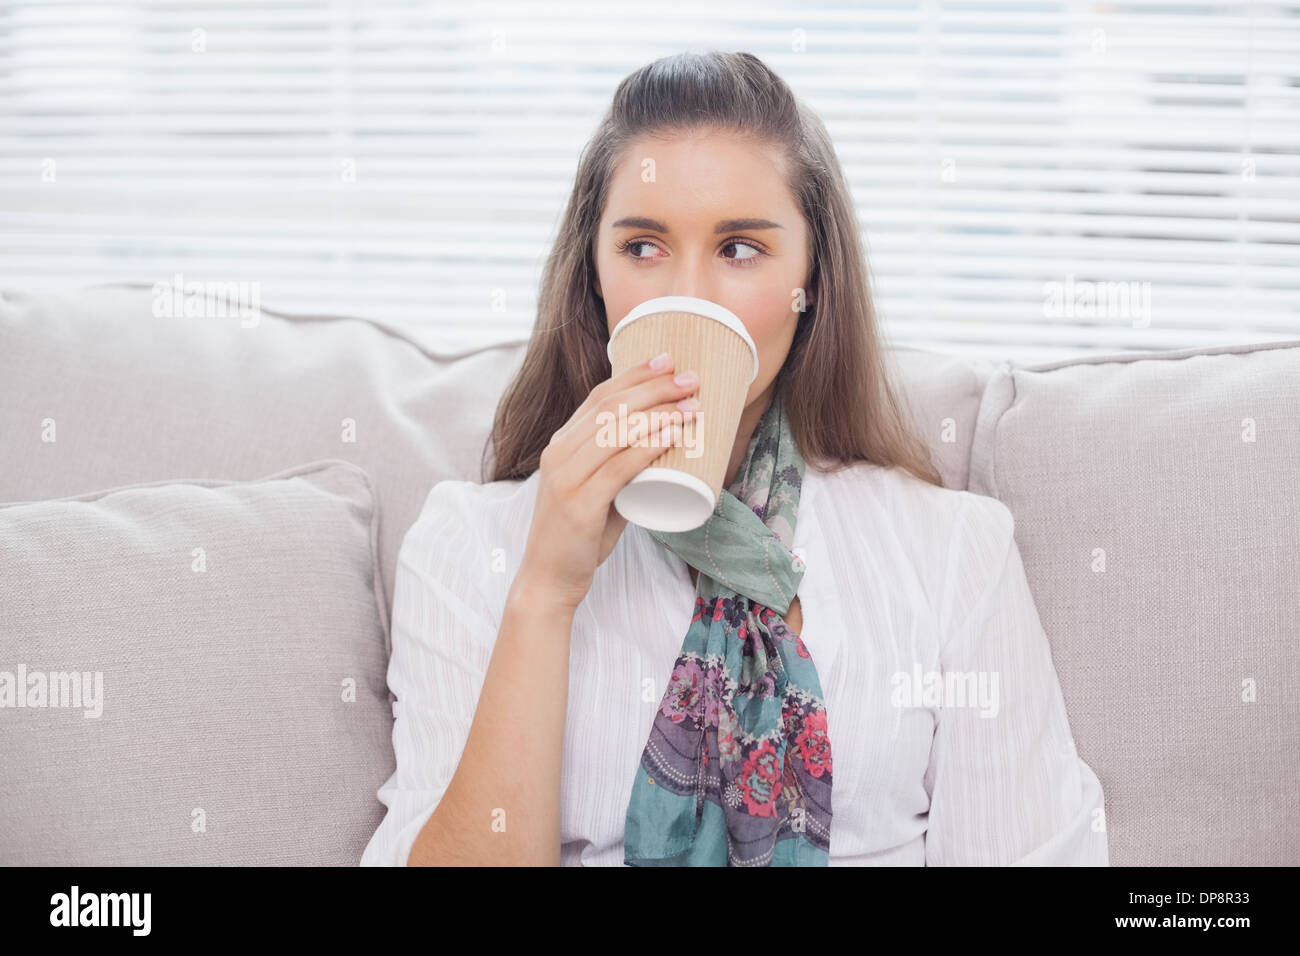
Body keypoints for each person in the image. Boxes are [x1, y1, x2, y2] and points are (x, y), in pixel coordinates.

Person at [360, 51, 1109, 867]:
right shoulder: (471, 547)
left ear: (811, 279)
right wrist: (544, 591)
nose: (689, 296)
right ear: (593, 278)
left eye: (741, 249)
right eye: (643, 248)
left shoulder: (950, 552)